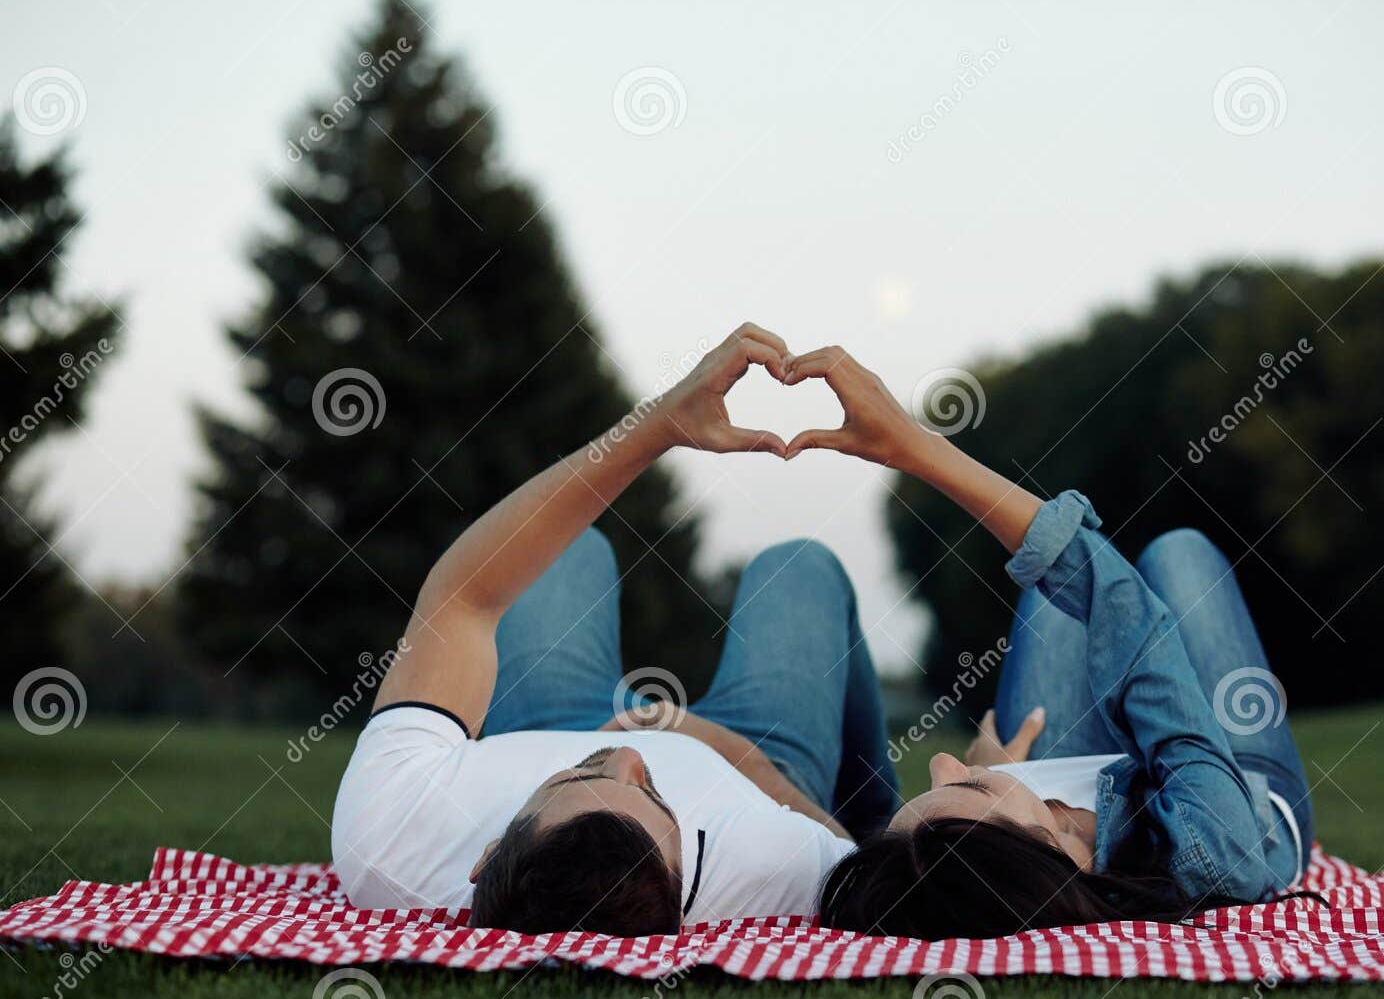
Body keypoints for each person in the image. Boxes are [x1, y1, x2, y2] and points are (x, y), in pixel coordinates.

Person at [330, 324, 899, 936]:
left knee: (565, 554)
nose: (631, 757)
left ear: (487, 857)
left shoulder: (388, 836)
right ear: (688, 889)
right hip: (753, 768)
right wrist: (723, 750)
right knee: (797, 566)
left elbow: (465, 599)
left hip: (548, 721)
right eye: (655, 795)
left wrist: (657, 427)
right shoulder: (767, 862)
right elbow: (856, 870)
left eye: (585, 776)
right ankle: (880, 816)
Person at [776, 346, 1314, 939]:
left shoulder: (1015, 851)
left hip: (1077, 794)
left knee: (1051, 603)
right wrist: (919, 448)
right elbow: (1133, 625)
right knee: (1178, 554)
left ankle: (1016, 779)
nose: (940, 761)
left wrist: (998, 779)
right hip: (1248, 788)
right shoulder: (1210, 852)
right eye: (969, 785)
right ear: (1053, 849)